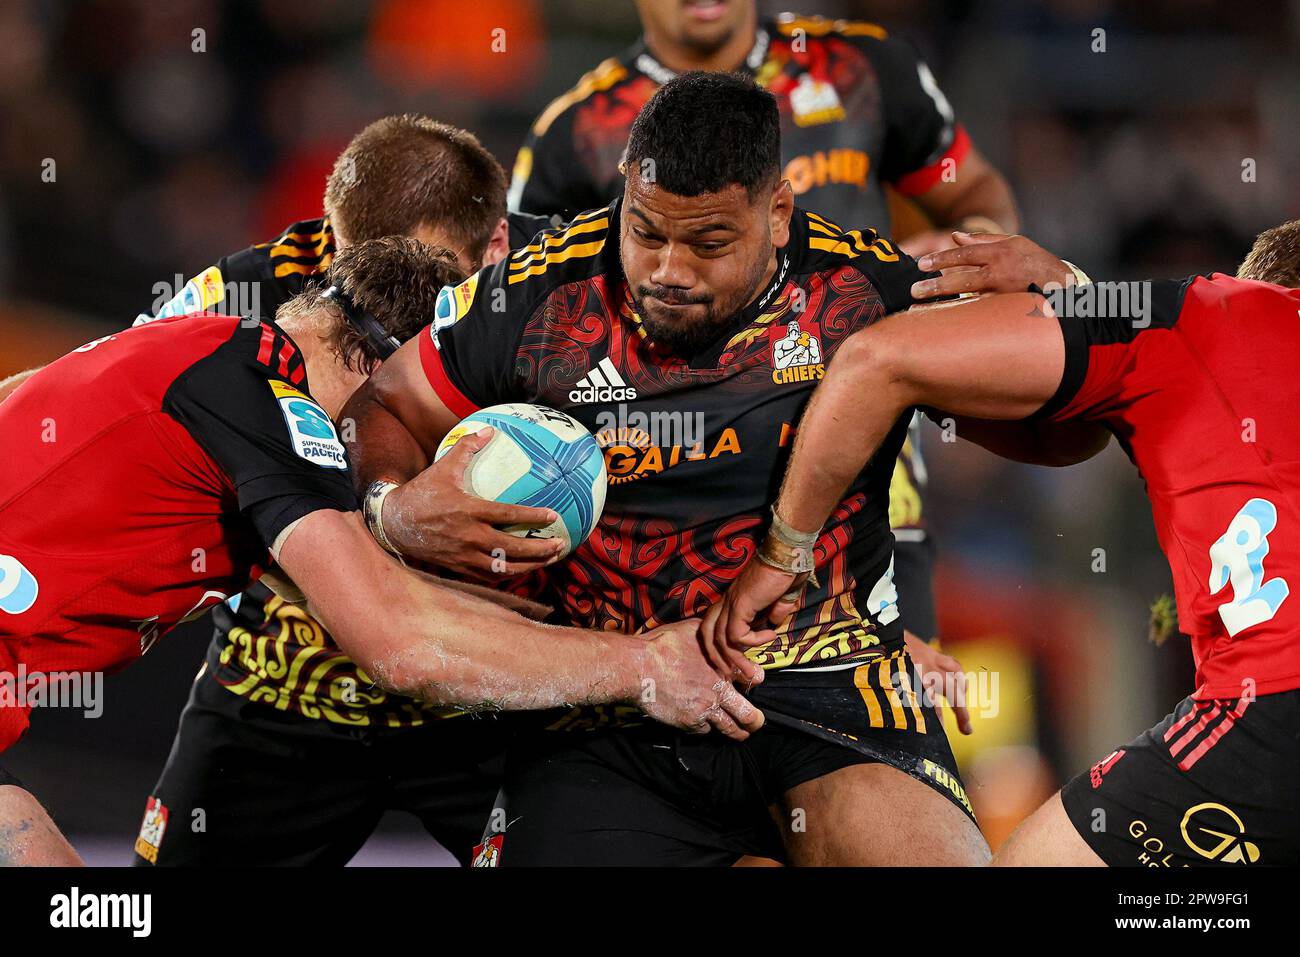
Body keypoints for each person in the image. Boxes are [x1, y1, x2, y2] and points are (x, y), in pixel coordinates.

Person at [343, 72, 985, 866]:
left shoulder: (867, 286)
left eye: (709, 242)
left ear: (777, 214)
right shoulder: (539, 291)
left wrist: (1070, 297)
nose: (668, 270)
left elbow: (1056, 406)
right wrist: (394, 505)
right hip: (609, 714)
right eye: (645, 231)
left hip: (831, 685)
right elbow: (382, 406)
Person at [0, 235, 763, 867]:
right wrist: (643, 668)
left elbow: (393, 602)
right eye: (414, 411)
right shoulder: (266, 402)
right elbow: (402, 646)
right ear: (377, 364)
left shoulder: (193, 351)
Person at [710, 221, 1300, 866]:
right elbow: (1081, 418)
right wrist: (1076, 297)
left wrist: (783, 551)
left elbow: (879, 362)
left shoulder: (1224, 311)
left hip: (1273, 706)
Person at [509, 0, 1022, 647]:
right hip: (676, 496)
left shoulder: (859, 67)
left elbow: (978, 197)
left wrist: (956, 254)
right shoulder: (576, 132)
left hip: (870, 473)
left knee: (899, 698)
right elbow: (527, 322)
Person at [120, 115, 559, 867]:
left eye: (429, 280)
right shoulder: (226, 301)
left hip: (498, 699)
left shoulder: (570, 285)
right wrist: (384, 518)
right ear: (330, 236)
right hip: (281, 690)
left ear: (495, 246)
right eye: (362, 268)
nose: (388, 305)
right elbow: (128, 442)